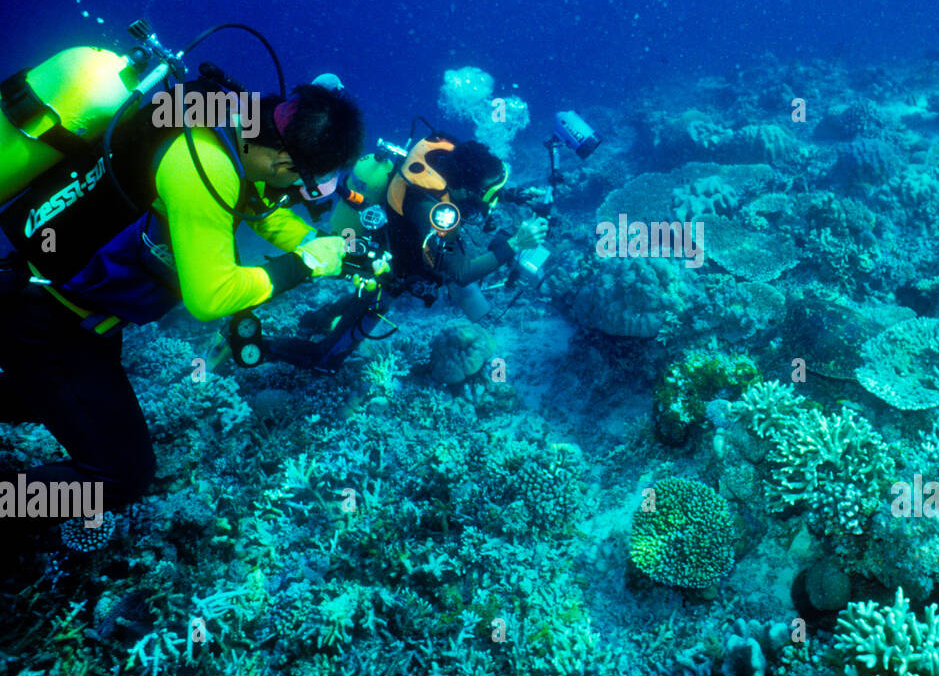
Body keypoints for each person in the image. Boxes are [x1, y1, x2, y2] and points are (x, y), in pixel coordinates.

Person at [0, 77, 364, 549]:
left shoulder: (234, 122)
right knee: (120, 474)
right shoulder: (204, 168)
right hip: (47, 320)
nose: (300, 193)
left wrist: (315, 243)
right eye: (302, 182)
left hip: (68, 312)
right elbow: (210, 297)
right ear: (283, 159)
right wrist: (307, 265)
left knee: (40, 398)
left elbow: (259, 209)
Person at [264, 132, 549, 372]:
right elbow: (460, 273)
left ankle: (316, 319)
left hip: (393, 246)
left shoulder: (445, 164)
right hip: (390, 270)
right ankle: (255, 345)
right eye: (491, 193)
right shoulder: (438, 214)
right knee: (327, 360)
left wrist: (513, 194)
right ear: (466, 188)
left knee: (372, 296)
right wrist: (516, 244)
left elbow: (475, 187)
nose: (492, 202)